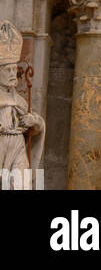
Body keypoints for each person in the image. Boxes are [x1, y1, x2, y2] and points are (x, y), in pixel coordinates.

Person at [0, 21, 44, 188]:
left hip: (17, 145)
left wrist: (33, 121)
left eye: (14, 70)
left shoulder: (18, 100)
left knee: (21, 185)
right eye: (7, 71)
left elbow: (38, 126)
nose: (13, 75)